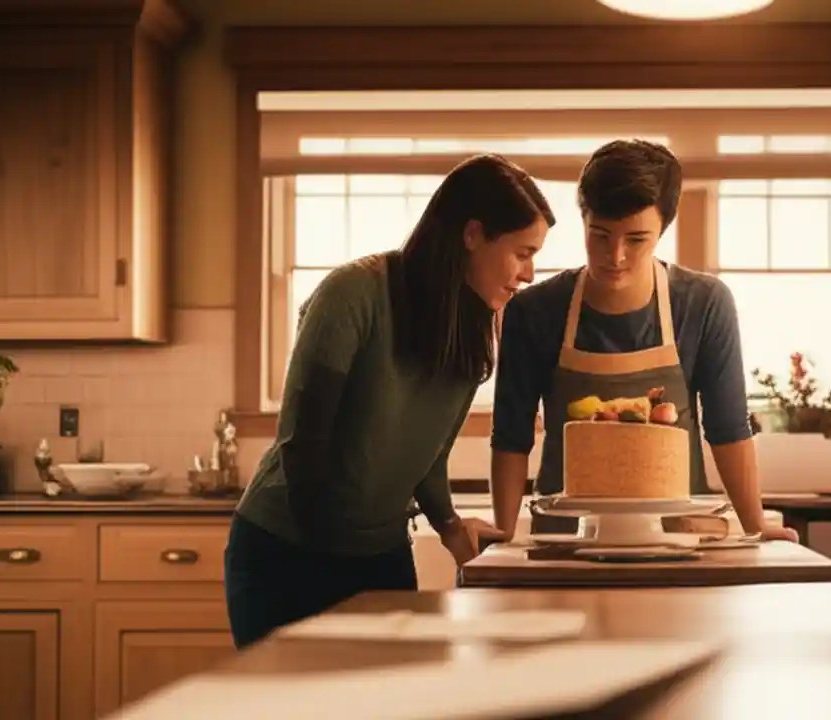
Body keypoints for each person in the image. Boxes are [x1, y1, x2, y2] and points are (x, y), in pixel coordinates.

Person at [224, 154, 555, 648]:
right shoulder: (353, 293)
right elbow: (303, 444)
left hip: (379, 557)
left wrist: (448, 524)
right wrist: (334, 566)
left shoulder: (472, 324)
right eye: (522, 253)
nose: (529, 274)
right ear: (472, 234)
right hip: (286, 555)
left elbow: (428, 455)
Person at [489, 139, 797, 542]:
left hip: (680, 540)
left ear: (662, 229)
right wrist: (502, 538)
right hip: (566, 541)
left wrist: (756, 527)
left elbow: (728, 429)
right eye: (600, 235)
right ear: (582, 221)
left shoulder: (704, 304)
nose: (615, 255)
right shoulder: (534, 311)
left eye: (636, 239)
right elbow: (511, 438)